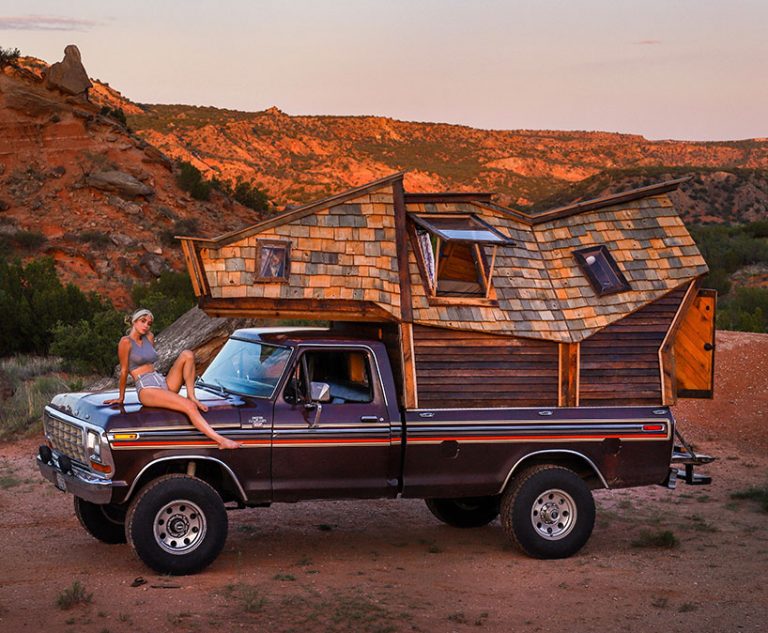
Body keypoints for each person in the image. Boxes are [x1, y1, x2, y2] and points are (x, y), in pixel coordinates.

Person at [103, 308, 240, 449]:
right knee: (189, 407)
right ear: (134, 321)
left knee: (187, 354)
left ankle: (191, 395)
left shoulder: (149, 337)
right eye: (143, 321)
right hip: (147, 388)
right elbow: (124, 371)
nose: (146, 326)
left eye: (149, 323)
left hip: (161, 380)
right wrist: (121, 398)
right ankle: (220, 440)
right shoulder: (125, 342)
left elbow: (151, 361)